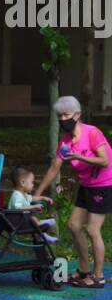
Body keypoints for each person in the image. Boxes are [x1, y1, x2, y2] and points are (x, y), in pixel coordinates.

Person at [33, 96, 112, 288]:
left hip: (105, 184)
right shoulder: (66, 140)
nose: (62, 119)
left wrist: (78, 157)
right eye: (59, 116)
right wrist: (37, 193)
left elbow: (105, 161)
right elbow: (54, 168)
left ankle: (98, 277)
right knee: (74, 225)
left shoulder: (92, 133)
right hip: (86, 186)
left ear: (77, 115)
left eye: (66, 115)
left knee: (92, 229)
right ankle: (83, 270)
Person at [7, 167, 57, 245]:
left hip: (22, 220)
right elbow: (18, 208)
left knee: (32, 217)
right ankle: (41, 229)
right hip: (16, 222)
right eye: (31, 182)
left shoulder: (23, 194)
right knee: (32, 218)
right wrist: (33, 207)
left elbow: (32, 198)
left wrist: (43, 197)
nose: (33, 185)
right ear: (22, 183)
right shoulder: (16, 195)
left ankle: (42, 233)